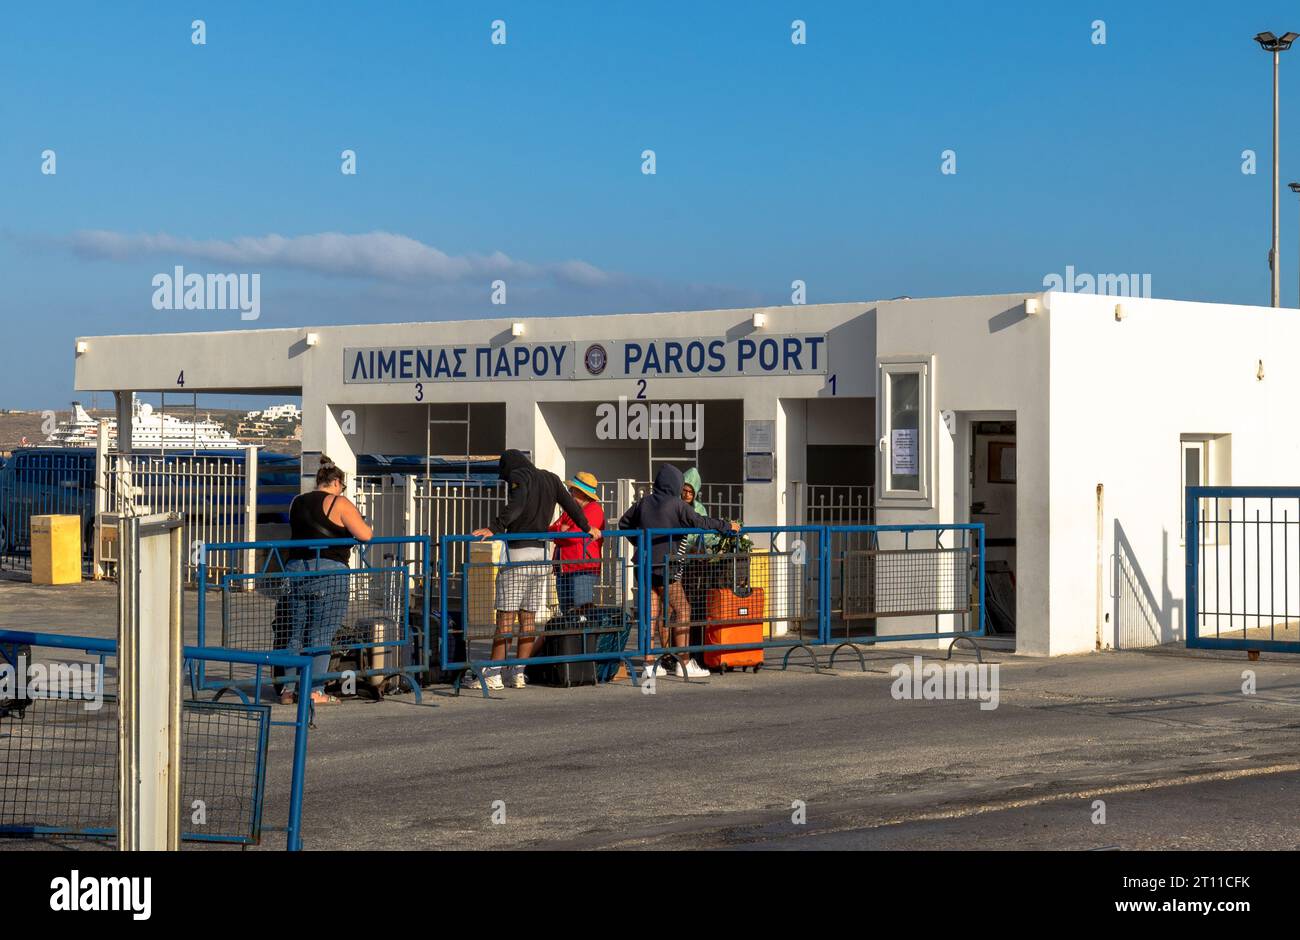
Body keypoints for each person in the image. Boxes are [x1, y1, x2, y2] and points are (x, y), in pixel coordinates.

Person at [472, 450, 598, 690]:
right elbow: (570, 505)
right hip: (541, 555)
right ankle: (519, 672)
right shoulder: (551, 478)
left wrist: (495, 527)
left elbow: (517, 504)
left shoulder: (519, 476)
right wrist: (586, 527)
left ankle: (494, 674)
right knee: (528, 617)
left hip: (517, 552)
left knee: (505, 616)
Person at [619, 464, 738, 679]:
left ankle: (649, 664)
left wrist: (640, 542)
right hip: (666, 566)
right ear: (675, 484)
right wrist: (727, 526)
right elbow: (701, 522)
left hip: (643, 563)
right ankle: (684, 662)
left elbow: (623, 523)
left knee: (650, 614)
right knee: (683, 609)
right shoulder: (677, 504)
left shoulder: (644, 502)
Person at [281, 455, 372, 706]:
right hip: (328, 572)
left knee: (294, 633)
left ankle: (288, 690)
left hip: (294, 570)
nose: (342, 490)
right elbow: (365, 534)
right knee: (321, 634)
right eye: (343, 486)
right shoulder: (339, 502)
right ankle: (315, 690)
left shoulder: (296, 501)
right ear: (336, 482)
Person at [548, 471, 606, 613]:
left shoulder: (594, 509)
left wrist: (561, 531)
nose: (569, 492)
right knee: (567, 611)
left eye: (572, 490)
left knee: (581, 610)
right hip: (565, 567)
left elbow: (574, 536)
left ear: (583, 493)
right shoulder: (571, 511)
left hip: (582, 568)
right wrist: (562, 530)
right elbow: (550, 530)